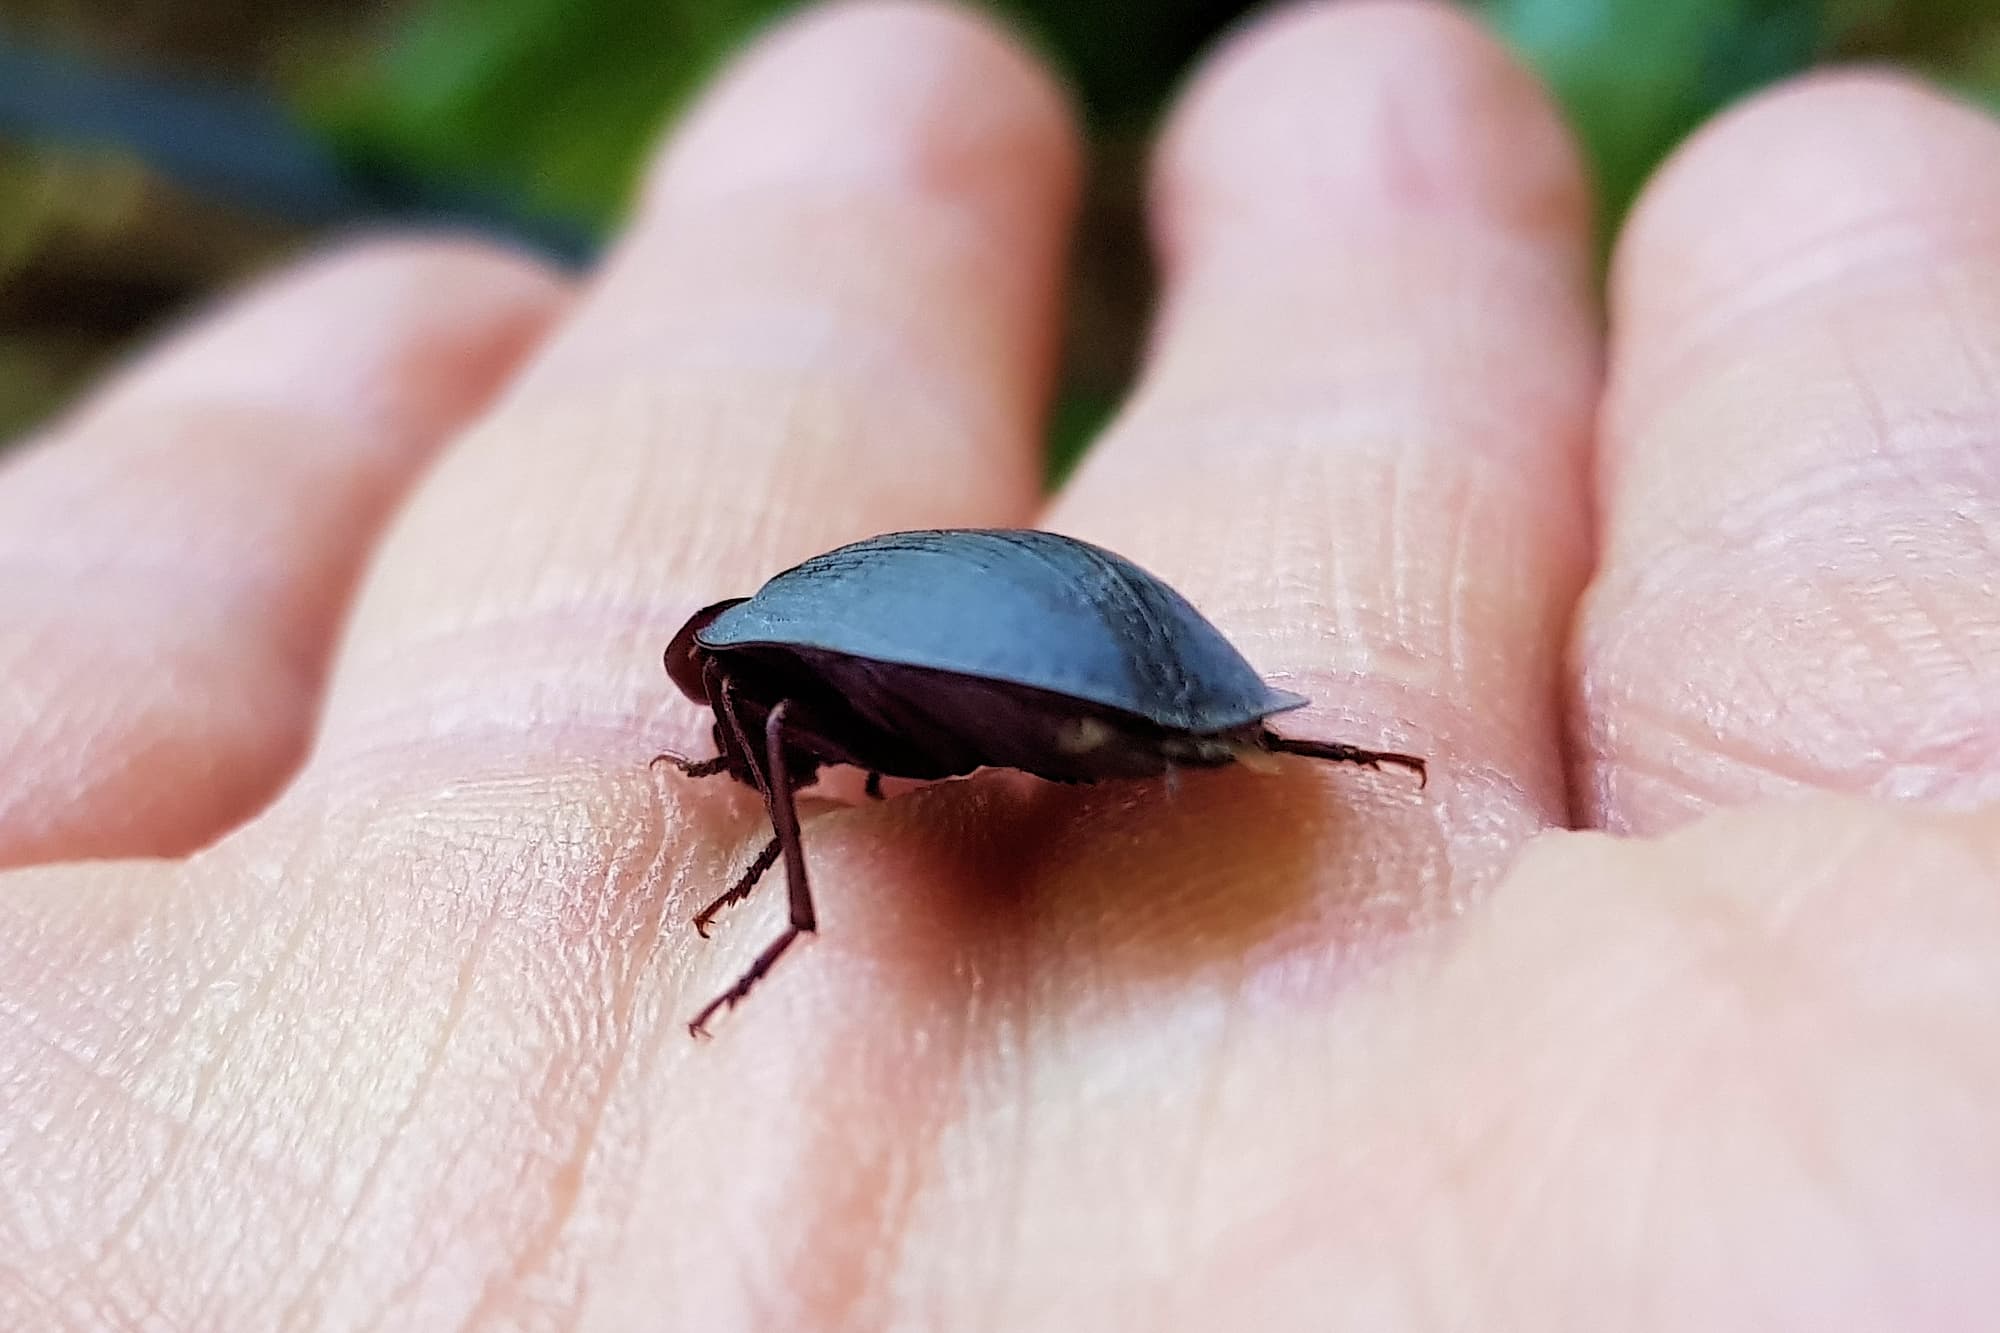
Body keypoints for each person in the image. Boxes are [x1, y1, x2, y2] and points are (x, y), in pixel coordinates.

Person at [2, 1, 1993, 1325]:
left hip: (1100, 681)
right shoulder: (819, 656)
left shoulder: (785, 664)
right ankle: (1191, 740)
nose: (736, 725)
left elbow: (819, 711)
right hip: (1131, 678)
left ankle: (1134, 758)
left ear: (735, 667)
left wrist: (788, 859)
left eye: (727, 703)